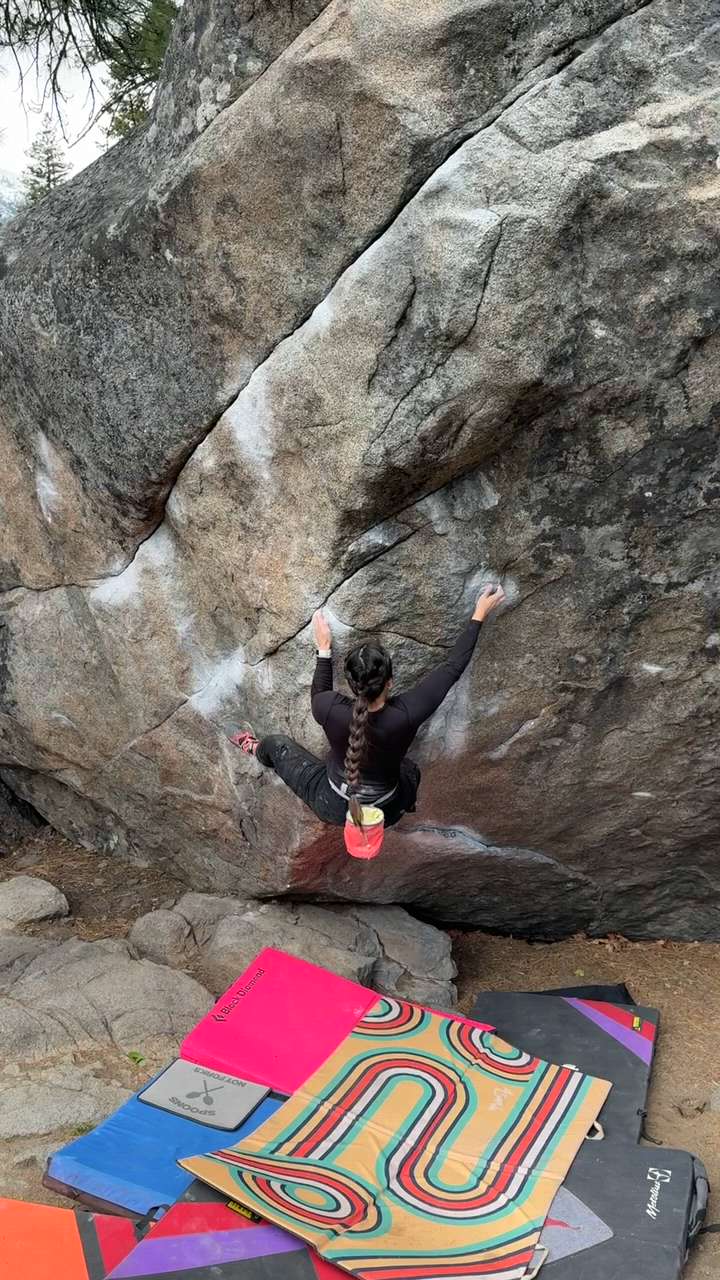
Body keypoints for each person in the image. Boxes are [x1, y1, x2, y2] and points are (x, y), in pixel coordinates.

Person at [230, 584, 505, 830]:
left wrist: (323, 649)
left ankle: (255, 749)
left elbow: (319, 692)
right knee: (410, 770)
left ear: (351, 685)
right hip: (389, 809)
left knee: (277, 745)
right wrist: (478, 614)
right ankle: (406, 805)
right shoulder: (407, 714)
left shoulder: (328, 708)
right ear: (390, 682)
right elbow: (452, 668)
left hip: (333, 804)